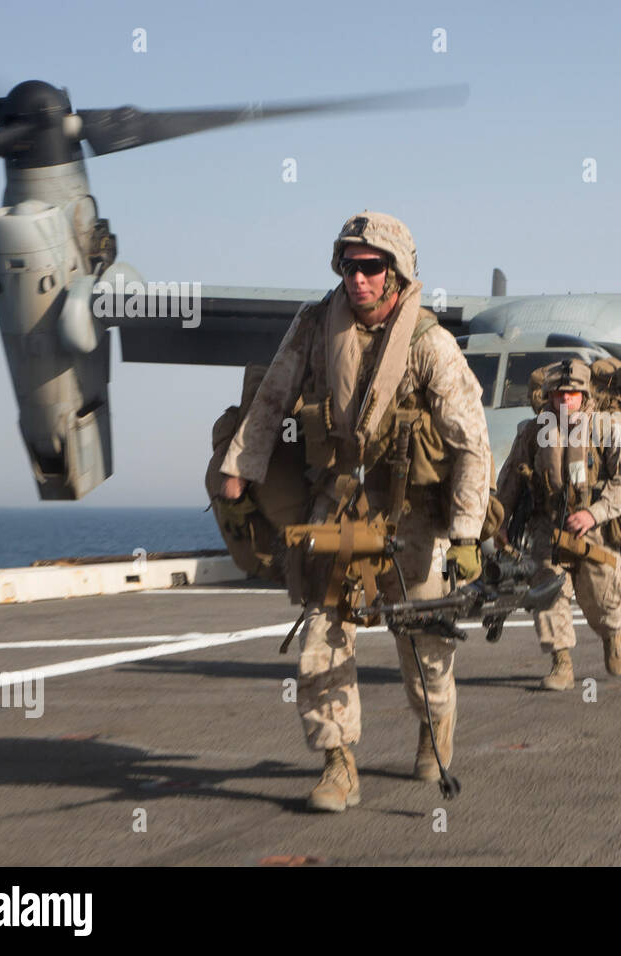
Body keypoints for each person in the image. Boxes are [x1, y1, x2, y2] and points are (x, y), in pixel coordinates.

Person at [218, 211, 491, 811]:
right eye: (349, 266)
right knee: (323, 634)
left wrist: (468, 533)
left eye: (370, 267)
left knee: (422, 638)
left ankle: (434, 725)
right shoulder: (316, 327)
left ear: (395, 275)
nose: (358, 279)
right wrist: (240, 470)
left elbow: (472, 441)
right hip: (337, 502)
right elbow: (272, 396)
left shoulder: (429, 345)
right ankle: (339, 765)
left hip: (411, 514)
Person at [496, 358, 621, 691]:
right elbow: (511, 479)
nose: (564, 400)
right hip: (546, 525)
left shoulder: (605, 429)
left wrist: (594, 514)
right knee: (546, 591)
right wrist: (499, 520)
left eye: (572, 393)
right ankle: (561, 663)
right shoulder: (533, 432)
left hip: (593, 527)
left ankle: (612, 632)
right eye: (557, 394)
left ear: (584, 394)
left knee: (601, 597)